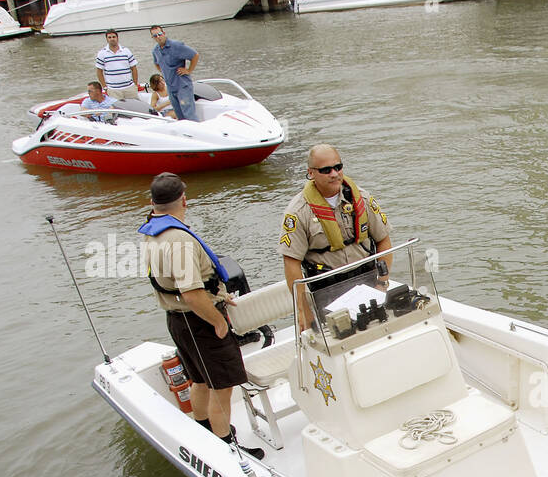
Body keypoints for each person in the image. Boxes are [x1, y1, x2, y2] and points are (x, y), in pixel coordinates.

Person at [140, 172, 264, 459]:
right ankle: (225, 446)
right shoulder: (179, 239)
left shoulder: (152, 233)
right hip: (199, 321)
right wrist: (218, 320)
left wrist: (220, 296)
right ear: (184, 199)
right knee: (222, 385)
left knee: (199, 379)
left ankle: (203, 428)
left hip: (178, 321)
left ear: (153, 203)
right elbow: (192, 293)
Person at [279, 144, 393, 330]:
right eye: (326, 170)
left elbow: (383, 240)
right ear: (311, 173)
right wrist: (303, 311)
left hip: (369, 283)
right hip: (328, 293)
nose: (334, 174)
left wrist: (382, 282)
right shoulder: (298, 212)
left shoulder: (362, 199)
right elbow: (291, 263)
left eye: (338, 167)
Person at [150, 25, 200, 122]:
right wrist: (165, 71)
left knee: (189, 115)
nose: (158, 37)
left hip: (182, 86)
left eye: (159, 34)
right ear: (152, 38)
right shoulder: (155, 51)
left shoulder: (176, 46)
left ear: (164, 33)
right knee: (179, 116)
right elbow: (156, 63)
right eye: (155, 36)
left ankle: (198, 134)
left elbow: (195, 55)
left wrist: (189, 70)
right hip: (170, 88)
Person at [95, 29, 139, 100]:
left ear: (117, 38)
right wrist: (105, 87)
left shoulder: (126, 51)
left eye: (113, 37)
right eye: (109, 37)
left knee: (135, 108)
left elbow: (134, 68)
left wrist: (135, 84)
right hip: (113, 90)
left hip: (129, 88)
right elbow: (99, 72)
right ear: (106, 39)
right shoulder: (102, 53)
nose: (112, 39)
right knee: (117, 110)